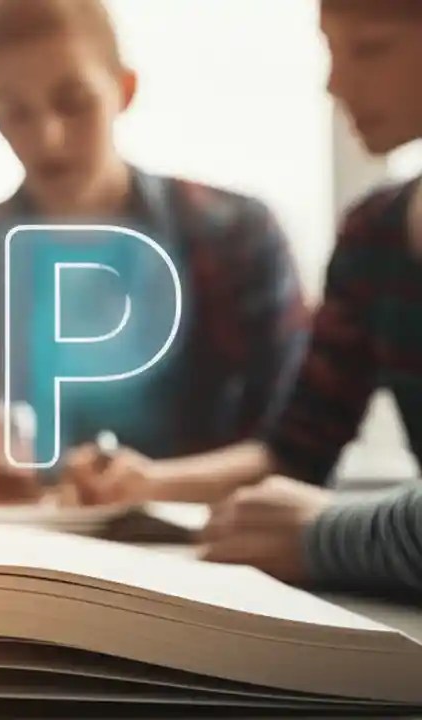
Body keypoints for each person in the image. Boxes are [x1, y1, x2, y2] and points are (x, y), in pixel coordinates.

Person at [0, 0, 308, 505]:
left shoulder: (239, 235)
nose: (48, 138)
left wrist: (152, 486)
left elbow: (294, 452)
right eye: (16, 112)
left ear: (124, 90)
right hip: (30, 556)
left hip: (214, 555)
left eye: (74, 101)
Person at [199, 0, 422, 595]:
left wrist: (325, 534)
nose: (335, 83)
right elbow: (295, 453)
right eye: (331, 48)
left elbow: (309, 515)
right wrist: (140, 483)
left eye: (370, 48)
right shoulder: (374, 234)